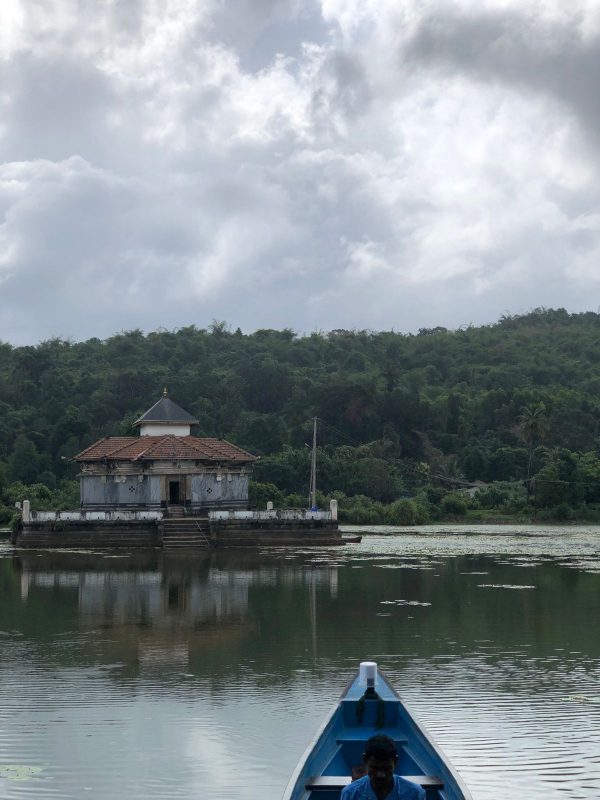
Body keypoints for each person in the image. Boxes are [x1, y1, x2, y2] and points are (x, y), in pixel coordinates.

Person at [341, 735, 426, 800]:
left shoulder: (415, 793)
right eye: (374, 768)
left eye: (386, 769)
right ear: (365, 760)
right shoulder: (350, 793)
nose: (380, 775)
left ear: (396, 761)